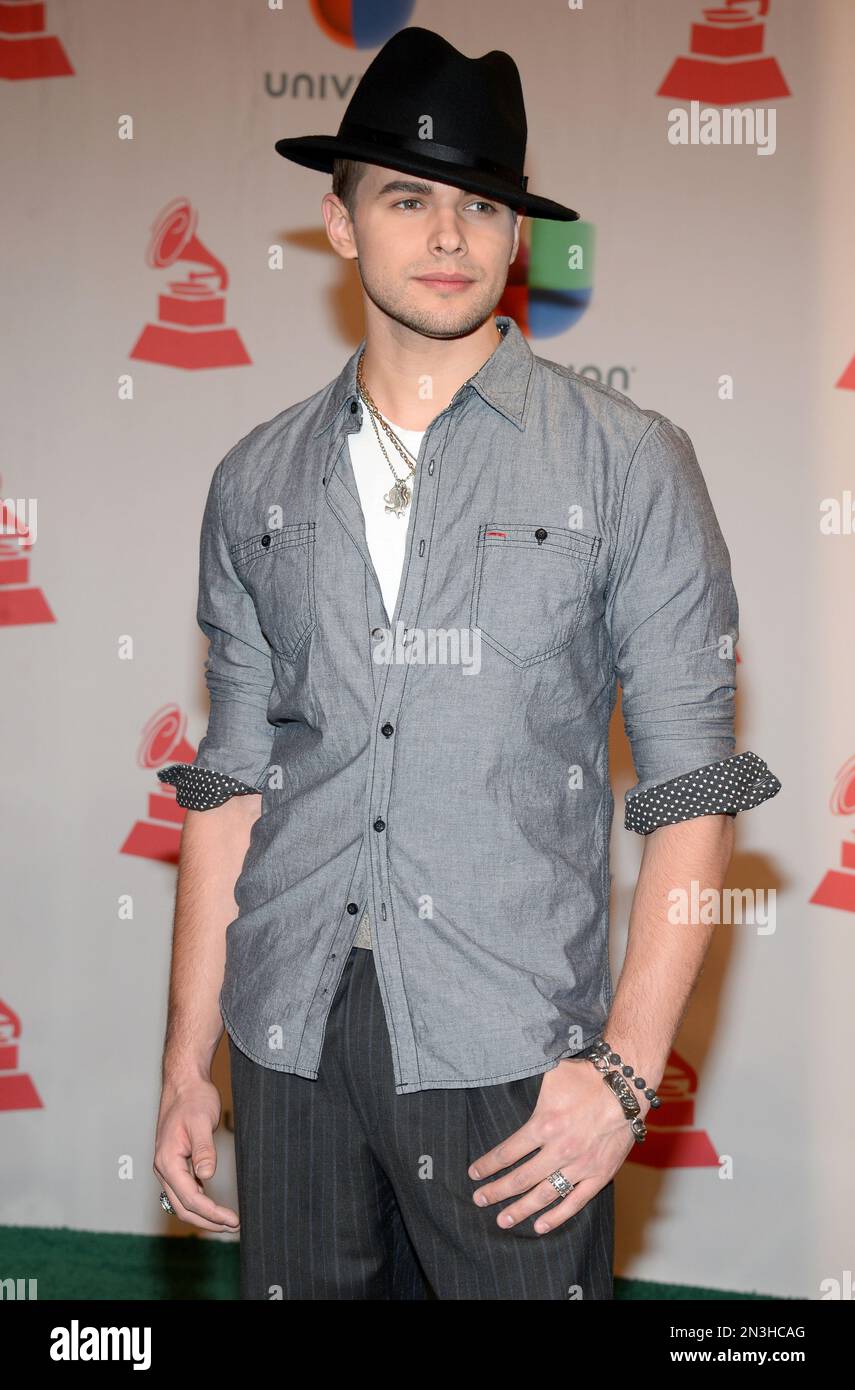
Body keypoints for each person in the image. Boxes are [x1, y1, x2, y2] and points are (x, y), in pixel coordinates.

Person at [152, 26, 781, 1300]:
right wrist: (183, 1059)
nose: (449, 236)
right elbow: (229, 786)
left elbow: (693, 795)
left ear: (515, 236)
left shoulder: (626, 462)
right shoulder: (255, 481)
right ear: (339, 223)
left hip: (512, 1053)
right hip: (287, 1040)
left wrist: (623, 1074)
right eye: (407, 197)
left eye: (481, 205)